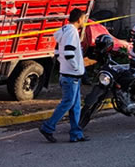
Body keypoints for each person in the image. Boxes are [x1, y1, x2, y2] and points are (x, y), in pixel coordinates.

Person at [40, 8, 95, 143]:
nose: (85, 21)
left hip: (67, 74)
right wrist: (76, 67)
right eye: (84, 19)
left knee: (75, 106)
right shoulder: (72, 32)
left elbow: (57, 52)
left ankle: (76, 133)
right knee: (68, 103)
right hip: (71, 75)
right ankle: (48, 127)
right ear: (79, 19)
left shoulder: (64, 30)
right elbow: (69, 53)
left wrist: (64, 64)